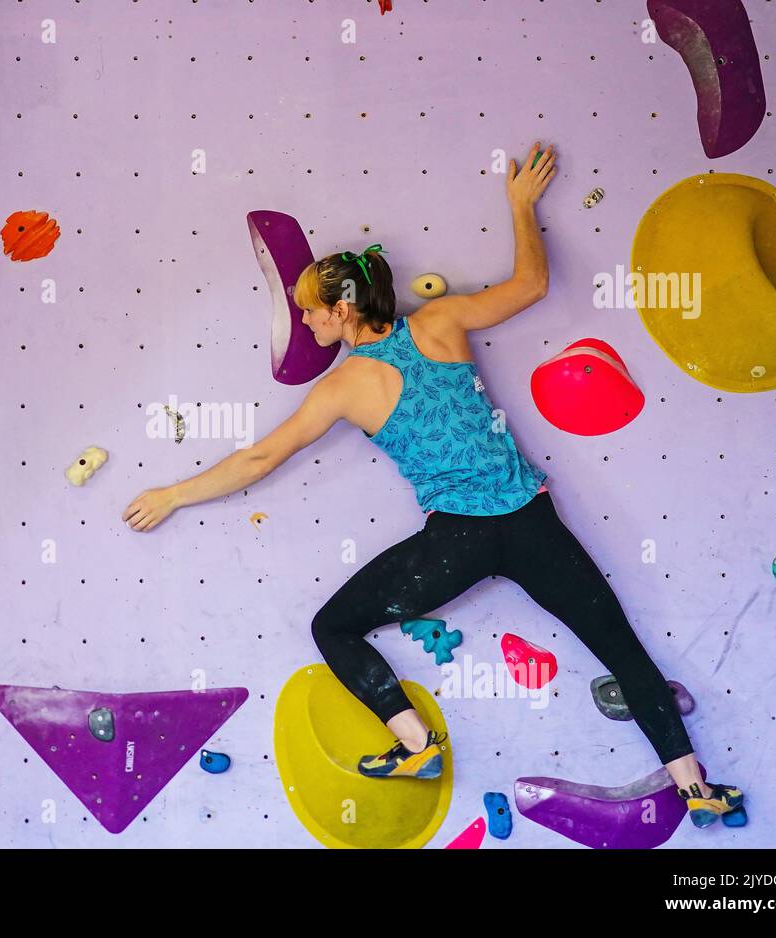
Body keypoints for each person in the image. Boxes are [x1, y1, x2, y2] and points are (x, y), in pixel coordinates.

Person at [123, 143, 743, 828]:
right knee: (618, 644)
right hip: (533, 521)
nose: (304, 321)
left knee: (333, 626)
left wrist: (174, 494)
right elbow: (532, 286)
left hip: (460, 540)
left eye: (311, 311)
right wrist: (518, 207)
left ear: (344, 309)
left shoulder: (345, 387)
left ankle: (415, 743)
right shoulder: (440, 321)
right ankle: (695, 784)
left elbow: (259, 460)